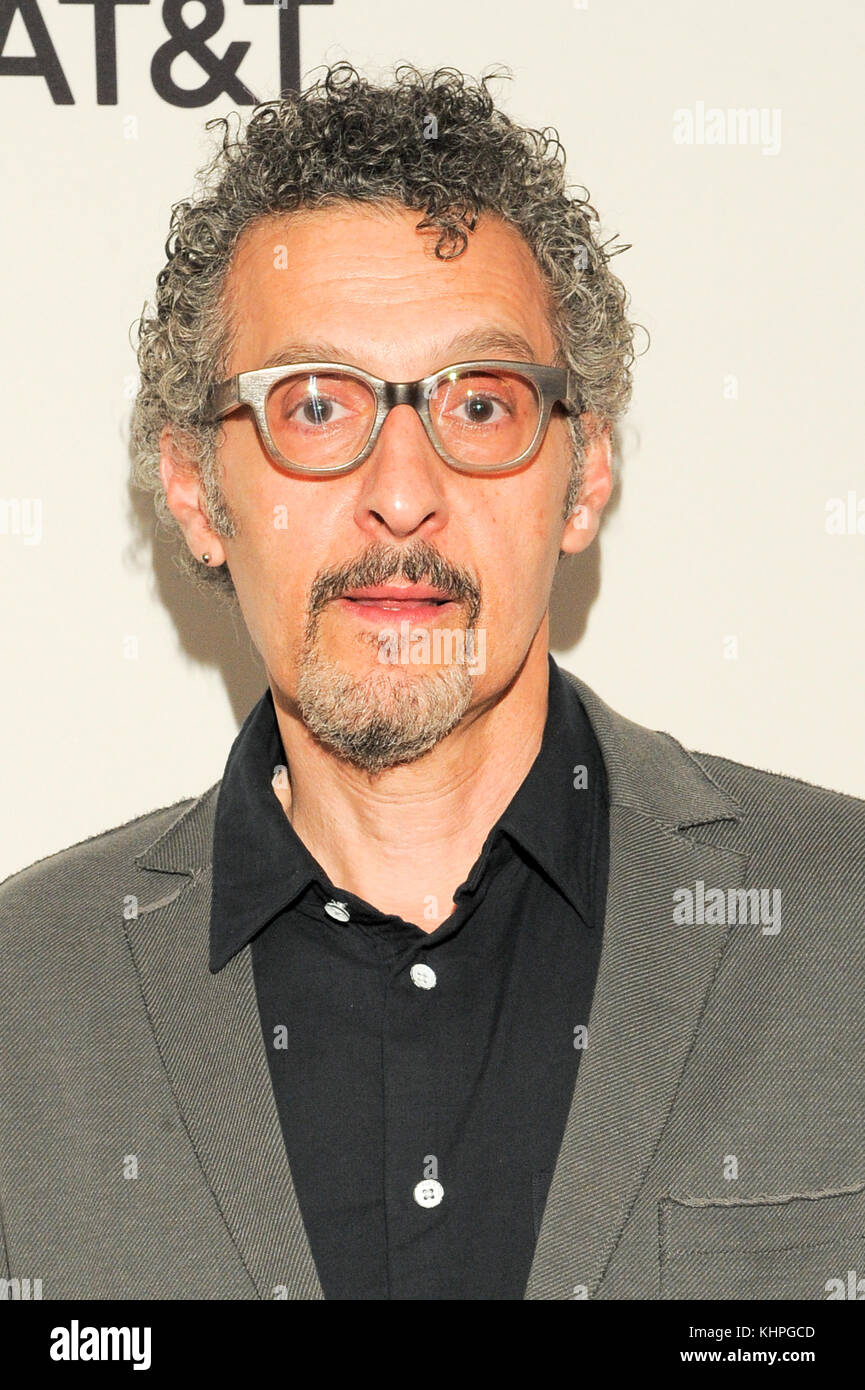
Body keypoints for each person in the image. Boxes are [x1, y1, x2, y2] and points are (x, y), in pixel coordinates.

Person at [2, 63, 862, 1302]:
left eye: (478, 400)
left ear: (583, 473)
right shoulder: (23, 1003)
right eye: (311, 405)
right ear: (194, 488)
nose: (402, 490)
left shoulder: (844, 932)